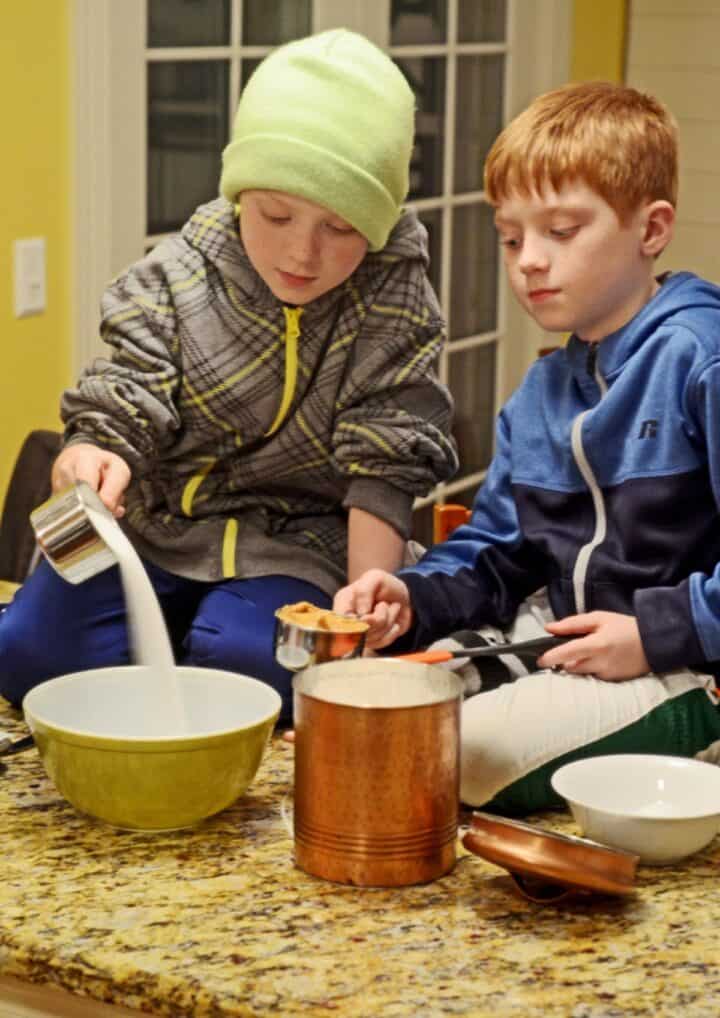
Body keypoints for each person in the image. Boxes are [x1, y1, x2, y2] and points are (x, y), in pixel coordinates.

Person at [0, 29, 457, 722]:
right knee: (27, 656)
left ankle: (185, 651)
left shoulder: (395, 299)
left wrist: (365, 601)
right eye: (276, 215)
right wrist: (91, 453)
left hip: (295, 550)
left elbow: (385, 463)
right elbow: (124, 401)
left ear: (380, 224)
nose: (303, 252)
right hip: (153, 532)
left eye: (340, 227)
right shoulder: (174, 279)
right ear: (240, 193)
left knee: (252, 667)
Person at [335, 80, 720, 813]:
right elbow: (495, 555)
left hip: (689, 666)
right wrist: (406, 598)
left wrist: (655, 634)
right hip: (563, 640)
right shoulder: (542, 392)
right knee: (371, 704)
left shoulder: (702, 357)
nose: (528, 261)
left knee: (458, 755)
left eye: (562, 231)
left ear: (652, 228)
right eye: (511, 238)